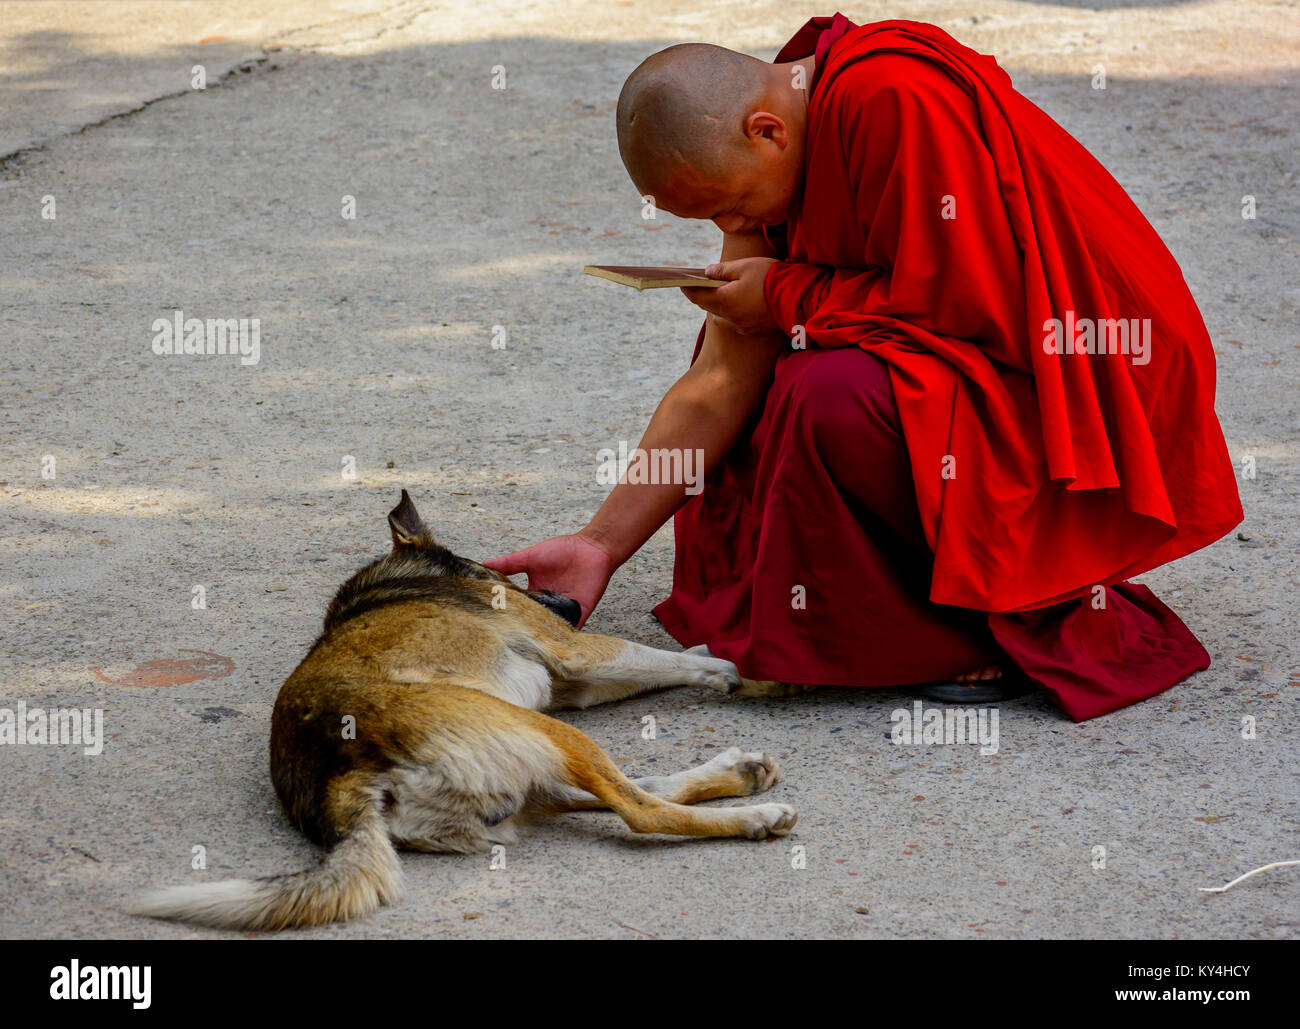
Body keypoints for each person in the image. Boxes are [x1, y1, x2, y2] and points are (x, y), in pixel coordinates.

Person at [485, 15, 1243, 721]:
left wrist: (786, 293)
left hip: (1080, 381)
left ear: (767, 131)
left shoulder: (894, 98)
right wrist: (601, 543)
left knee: (828, 386)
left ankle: (979, 625)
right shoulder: (768, 154)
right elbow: (721, 379)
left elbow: (975, 309)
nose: (734, 230)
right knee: (773, 354)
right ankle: (901, 613)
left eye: (729, 209)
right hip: (983, 358)